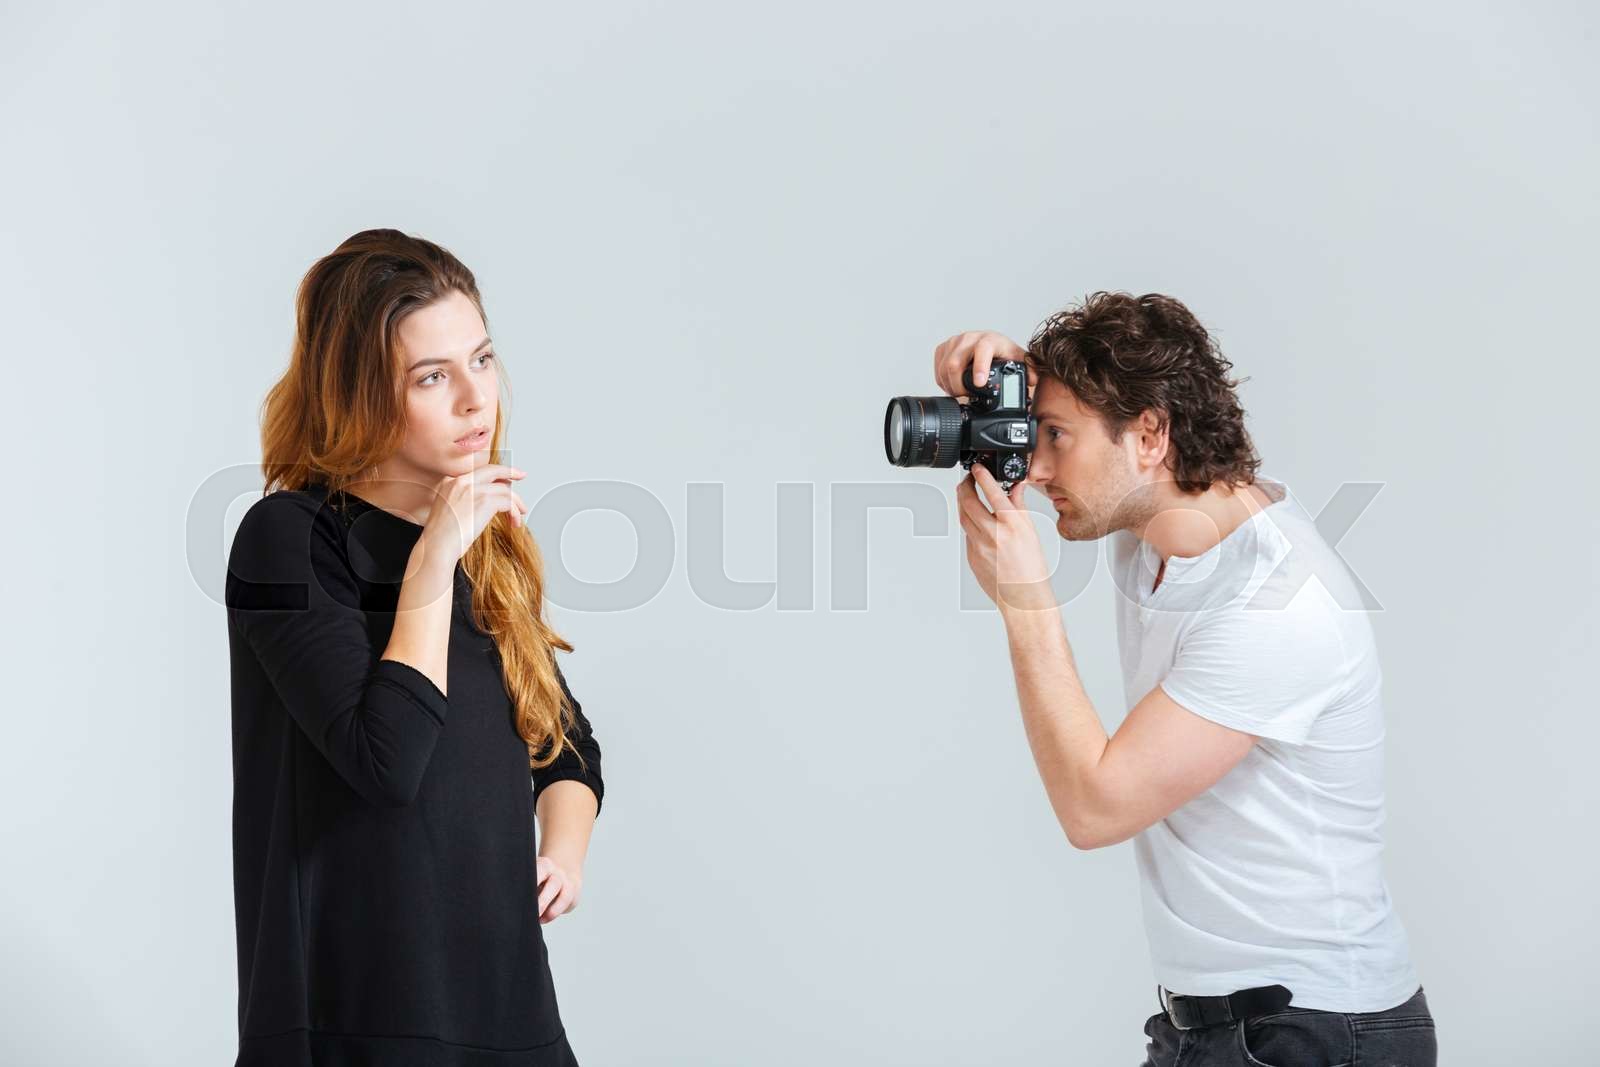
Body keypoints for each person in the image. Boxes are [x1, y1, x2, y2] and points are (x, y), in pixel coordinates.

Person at [938, 292, 1436, 1066]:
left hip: (1316, 1031)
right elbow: (1066, 428)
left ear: (1150, 434)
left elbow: (1094, 809)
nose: (1033, 469)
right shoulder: (1154, 529)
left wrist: (1026, 604)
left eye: (1055, 438)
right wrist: (995, 370)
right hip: (1214, 1026)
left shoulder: (1277, 603)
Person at [224, 229, 604, 1066]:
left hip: (510, 1016)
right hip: (358, 1018)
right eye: (433, 376)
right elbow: (387, 760)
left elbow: (566, 744)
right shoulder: (288, 540)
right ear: (360, 393)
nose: (478, 400)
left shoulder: (487, 548)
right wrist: (433, 558)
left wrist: (562, 855)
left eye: (482, 359)